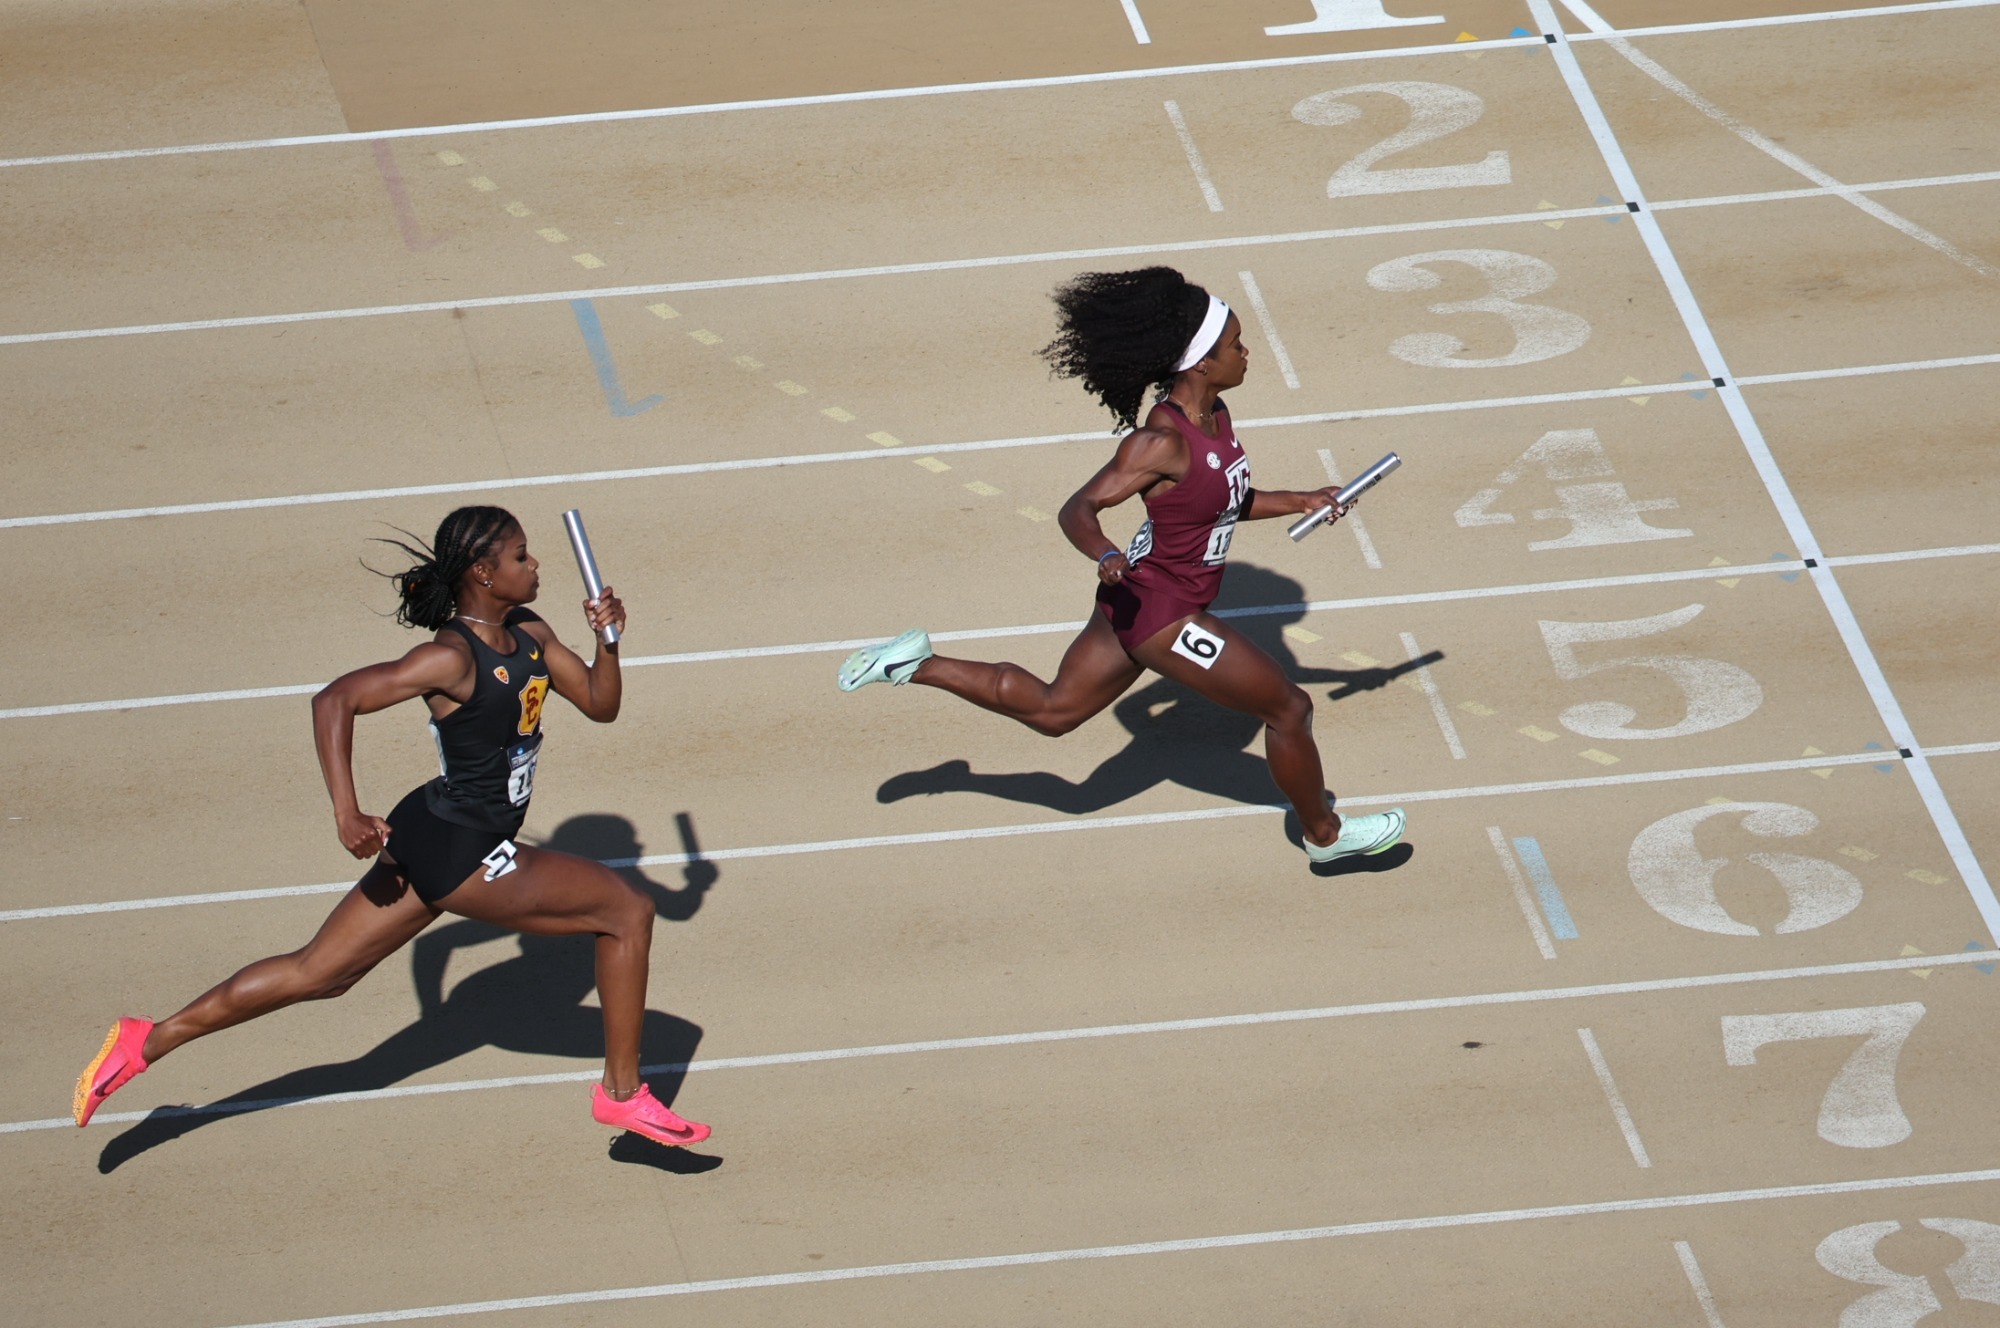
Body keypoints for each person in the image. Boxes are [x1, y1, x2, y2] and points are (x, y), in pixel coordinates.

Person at [73, 506, 708, 1149]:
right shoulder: (449, 658)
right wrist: (346, 811)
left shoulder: (531, 631)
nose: (535, 563)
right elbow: (335, 699)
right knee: (626, 911)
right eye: (521, 555)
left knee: (319, 974)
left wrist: (610, 641)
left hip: (430, 829)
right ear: (484, 574)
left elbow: (602, 705)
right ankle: (622, 1095)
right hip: (464, 849)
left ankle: (147, 1039)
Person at [837, 267, 1404, 864]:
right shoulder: (1160, 442)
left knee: (1055, 712)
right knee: (1289, 709)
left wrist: (1305, 499)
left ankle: (916, 662)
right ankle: (1326, 837)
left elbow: (1225, 502)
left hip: (1133, 600)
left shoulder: (1218, 418)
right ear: (1201, 364)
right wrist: (1104, 552)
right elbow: (1077, 508)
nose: (1246, 353)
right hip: (1162, 613)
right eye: (1235, 344)